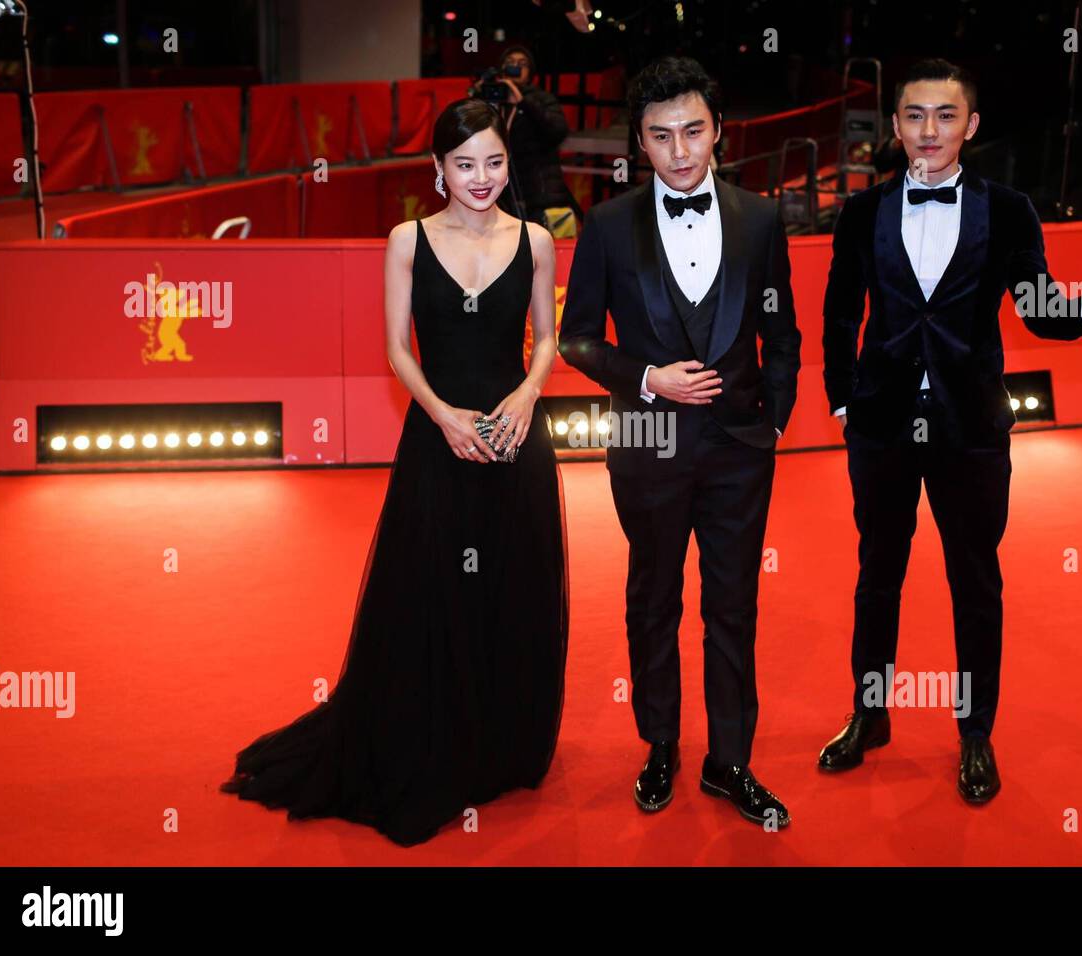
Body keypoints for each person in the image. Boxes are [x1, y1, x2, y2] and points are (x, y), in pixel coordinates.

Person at [220, 98, 569, 846]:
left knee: (512, 589)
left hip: (514, 439)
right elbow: (396, 350)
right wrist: (443, 415)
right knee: (431, 593)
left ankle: (500, 745)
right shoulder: (406, 240)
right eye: (465, 164)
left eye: (495, 162)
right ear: (437, 169)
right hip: (437, 440)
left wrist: (527, 390)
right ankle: (434, 740)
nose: (482, 178)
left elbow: (547, 339)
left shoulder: (537, 239)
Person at [818, 58, 1082, 803]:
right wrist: (845, 402)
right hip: (881, 426)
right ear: (896, 125)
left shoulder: (1008, 209)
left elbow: (1037, 304)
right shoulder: (861, 211)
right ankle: (870, 714)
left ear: (970, 126)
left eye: (945, 116)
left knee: (974, 581)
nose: (928, 131)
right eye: (914, 115)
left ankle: (975, 733)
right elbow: (841, 311)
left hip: (969, 426)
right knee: (878, 577)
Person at [558, 56, 802, 828]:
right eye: (661, 136)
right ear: (640, 141)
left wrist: (774, 423)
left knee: (733, 607)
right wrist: (646, 379)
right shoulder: (605, 224)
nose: (681, 150)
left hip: (738, 450)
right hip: (646, 442)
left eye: (694, 130)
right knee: (653, 600)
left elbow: (782, 332)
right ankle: (659, 743)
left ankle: (730, 761)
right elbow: (576, 341)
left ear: (719, 132)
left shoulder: (762, 219)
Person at [468, 44, 582, 235]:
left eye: (522, 64)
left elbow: (557, 132)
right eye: (510, 63)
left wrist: (522, 102)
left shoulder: (541, 98)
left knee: (543, 253)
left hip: (541, 197)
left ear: (530, 72)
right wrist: (477, 97)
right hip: (503, 198)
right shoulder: (493, 101)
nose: (515, 67)